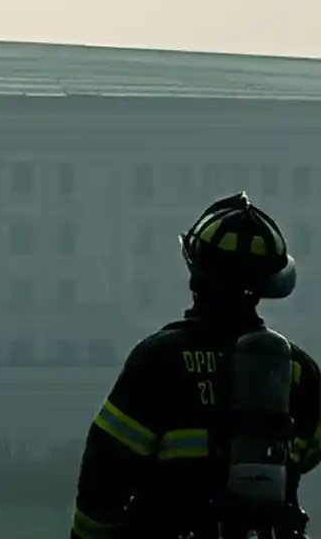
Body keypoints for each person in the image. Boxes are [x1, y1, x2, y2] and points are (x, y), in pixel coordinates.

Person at [72, 191, 319, 539]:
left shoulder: (159, 359)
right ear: (269, 283)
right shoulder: (300, 369)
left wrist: (86, 534)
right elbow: (307, 455)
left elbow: (107, 467)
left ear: (195, 270)